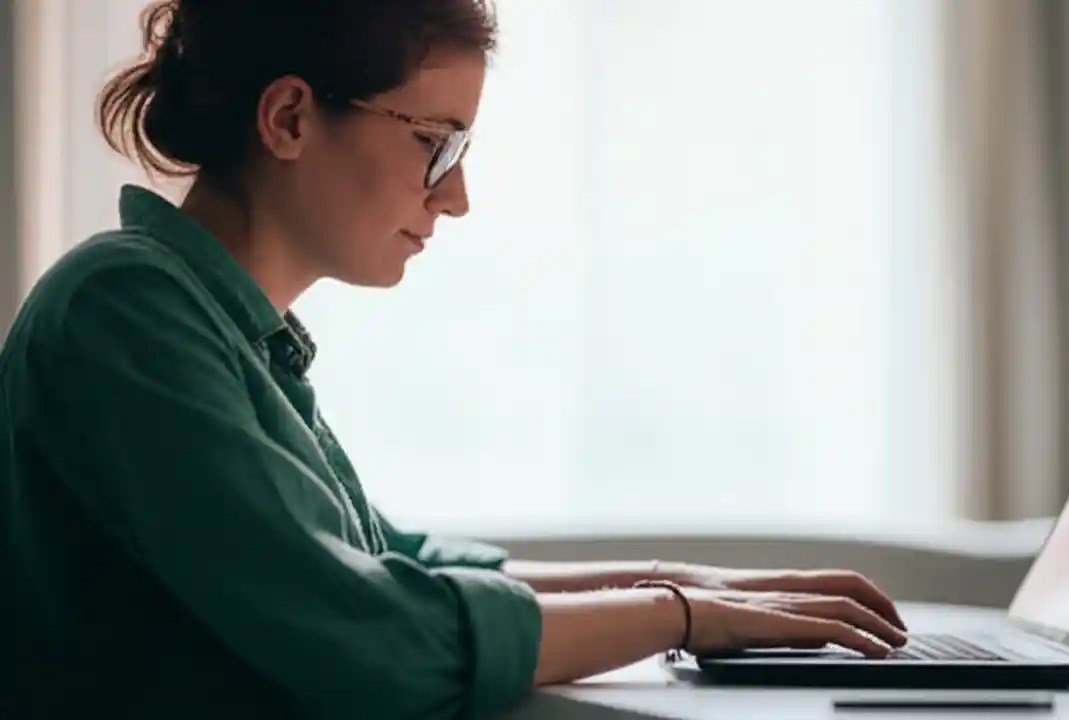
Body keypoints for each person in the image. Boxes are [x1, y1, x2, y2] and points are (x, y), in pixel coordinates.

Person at [0, 1, 908, 717]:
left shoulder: (225, 331)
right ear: (288, 117)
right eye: (436, 143)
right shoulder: (123, 309)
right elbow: (379, 638)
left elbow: (401, 563)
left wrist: (679, 582)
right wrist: (681, 615)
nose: (458, 196)